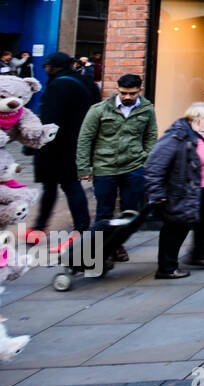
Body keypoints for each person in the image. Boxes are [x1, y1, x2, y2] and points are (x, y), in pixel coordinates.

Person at [76, 73, 157, 263]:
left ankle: (117, 245)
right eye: (123, 93)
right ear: (117, 90)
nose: (127, 97)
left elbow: (151, 135)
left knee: (130, 212)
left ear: (140, 90)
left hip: (134, 166)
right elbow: (85, 139)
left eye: (132, 93)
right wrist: (84, 168)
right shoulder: (99, 110)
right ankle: (99, 252)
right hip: (105, 167)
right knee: (104, 212)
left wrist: (146, 159)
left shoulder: (147, 109)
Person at [145, 102, 204, 278]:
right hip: (185, 191)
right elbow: (155, 165)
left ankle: (198, 255)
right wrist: (157, 192)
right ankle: (167, 268)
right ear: (199, 117)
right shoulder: (177, 136)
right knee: (177, 227)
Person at [29, 52, 95, 240]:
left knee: (52, 186)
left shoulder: (58, 85)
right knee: (71, 184)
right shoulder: (86, 83)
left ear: (53, 66)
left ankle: (40, 226)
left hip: (55, 145)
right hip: (80, 142)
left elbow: (50, 118)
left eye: (46, 66)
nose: (45, 69)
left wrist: (35, 142)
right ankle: (81, 227)